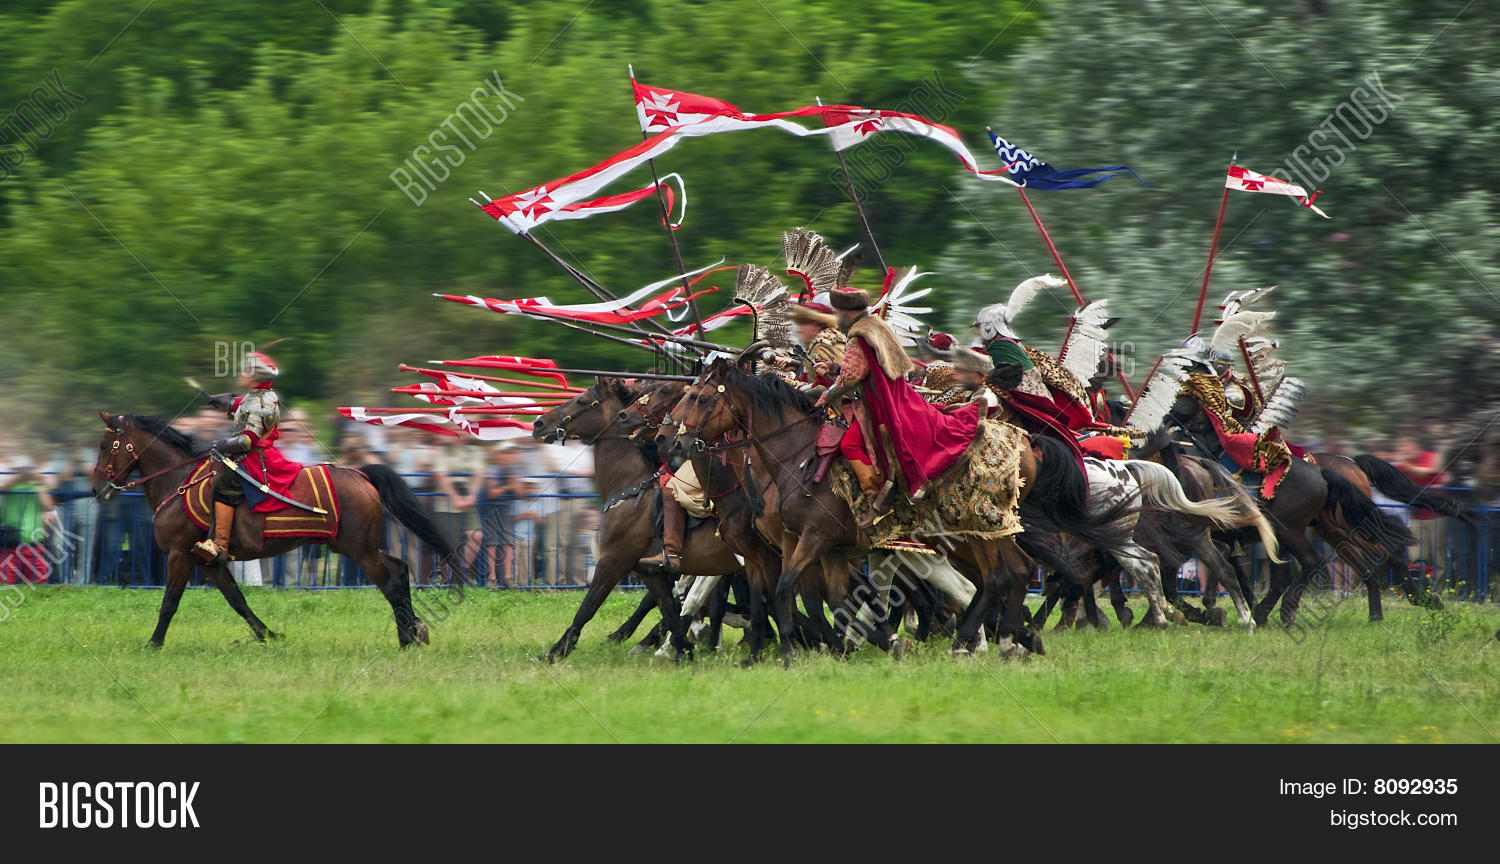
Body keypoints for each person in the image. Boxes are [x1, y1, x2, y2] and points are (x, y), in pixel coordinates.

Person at [815, 287, 983, 528]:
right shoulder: (875, 325)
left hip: (880, 406)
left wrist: (823, 398)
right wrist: (833, 368)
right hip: (900, 398)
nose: (836, 317)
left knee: (849, 443)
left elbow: (851, 377)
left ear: (845, 312)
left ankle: (876, 498)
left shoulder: (858, 335)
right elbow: (861, 366)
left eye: (838, 312)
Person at [192, 350, 298, 564]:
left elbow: (247, 441)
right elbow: (239, 403)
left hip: (257, 458)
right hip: (254, 455)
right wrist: (220, 401)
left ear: (253, 375)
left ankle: (219, 544)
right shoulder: (260, 395)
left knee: (223, 483)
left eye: (245, 370)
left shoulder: (258, 402)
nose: (240, 373)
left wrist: (222, 444)